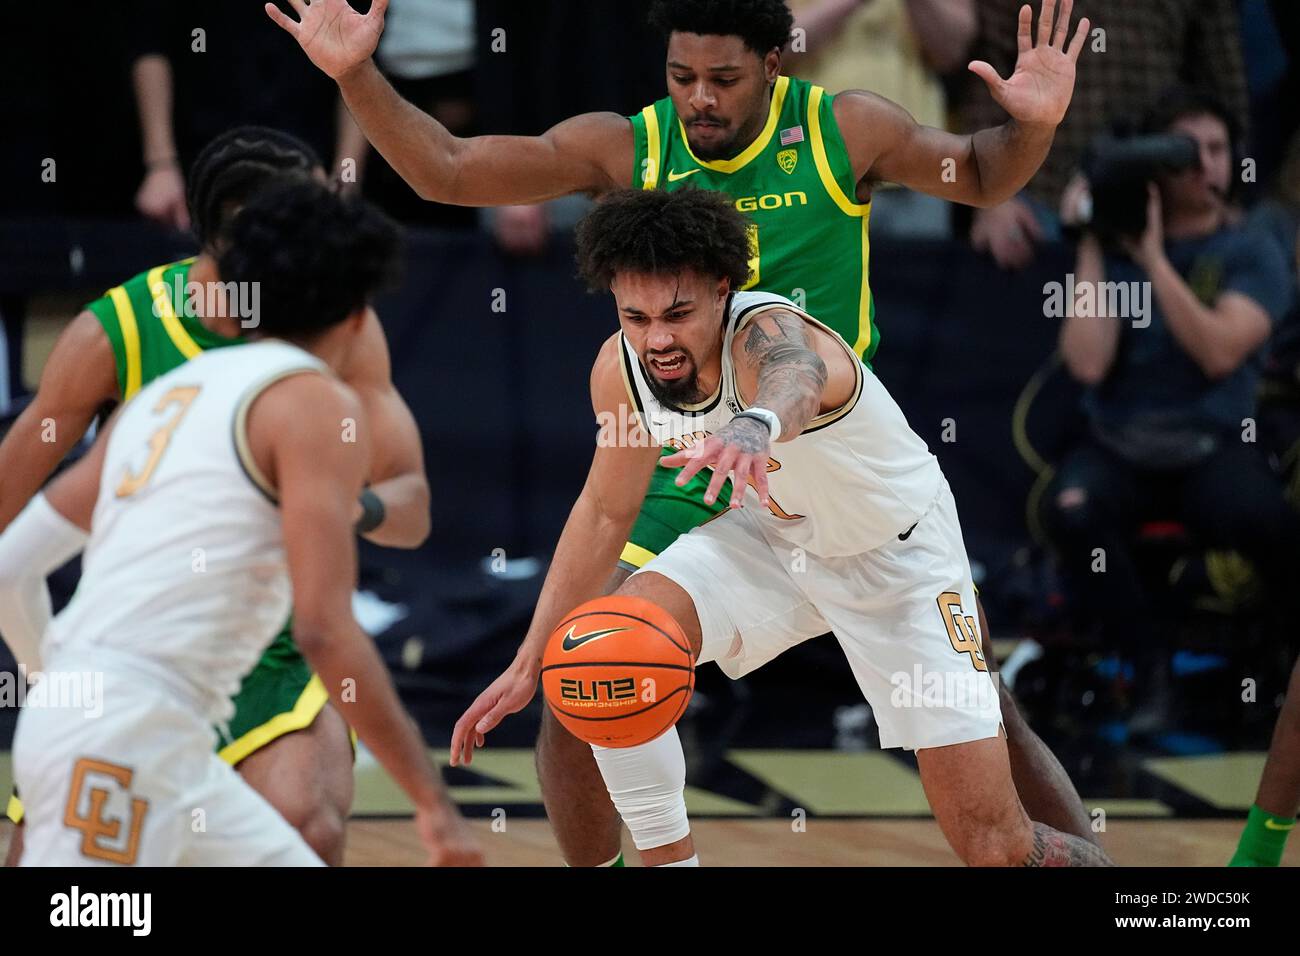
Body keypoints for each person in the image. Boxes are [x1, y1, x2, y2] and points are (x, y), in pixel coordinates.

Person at [270, 0, 1097, 865]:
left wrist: (1031, 127)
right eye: (681, 77)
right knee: (584, 674)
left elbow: (978, 175)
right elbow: (447, 169)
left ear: (775, 63)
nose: (700, 97)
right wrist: (356, 75)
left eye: (725, 79)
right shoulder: (628, 155)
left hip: (832, 467)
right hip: (704, 466)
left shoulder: (840, 132)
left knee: (991, 742)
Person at [460, 186, 1112, 866]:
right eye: (637, 315)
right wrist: (532, 659)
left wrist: (755, 423)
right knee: (611, 649)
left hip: (900, 559)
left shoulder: (767, 334)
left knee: (997, 848)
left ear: (721, 289)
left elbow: (794, 376)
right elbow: (604, 511)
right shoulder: (621, 370)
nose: (657, 337)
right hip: (777, 542)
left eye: (678, 313)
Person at [0, 178, 481, 866]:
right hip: (123, 736)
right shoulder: (319, 405)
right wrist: (432, 801)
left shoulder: (165, 395)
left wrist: (54, 678)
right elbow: (325, 629)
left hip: (141, 730)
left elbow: (10, 566)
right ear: (355, 315)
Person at [1046, 88, 1296, 648]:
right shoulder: (1108, 254)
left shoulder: (1252, 249)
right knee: (1070, 512)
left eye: (1217, 147)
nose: (1205, 163)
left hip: (1215, 442)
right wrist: (1091, 240)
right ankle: (1145, 673)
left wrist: (1153, 258)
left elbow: (1220, 352)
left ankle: (1276, 675)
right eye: (1187, 149)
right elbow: (1086, 365)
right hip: (1118, 444)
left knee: (1268, 521)